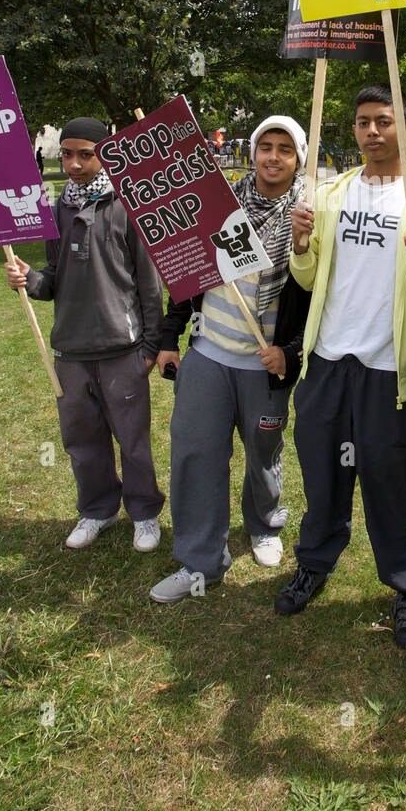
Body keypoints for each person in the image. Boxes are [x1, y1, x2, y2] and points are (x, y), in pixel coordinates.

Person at [274, 85, 406, 648]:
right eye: (363, 122)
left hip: (387, 370)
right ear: (351, 129)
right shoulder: (328, 196)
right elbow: (306, 279)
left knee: (390, 482)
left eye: (384, 121)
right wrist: (300, 245)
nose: (373, 132)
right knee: (323, 473)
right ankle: (314, 563)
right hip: (327, 362)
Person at [149, 116, 311, 603]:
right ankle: (199, 560)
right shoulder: (217, 206)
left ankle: (264, 526)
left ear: (299, 157)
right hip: (208, 357)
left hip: (265, 367)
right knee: (196, 456)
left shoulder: (309, 214)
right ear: (253, 151)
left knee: (264, 457)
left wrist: (291, 352)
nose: (273, 157)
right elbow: (186, 271)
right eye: (266, 145)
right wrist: (167, 335)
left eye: (286, 148)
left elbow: (320, 295)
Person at [4, 118, 165, 552]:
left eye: (85, 154)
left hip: (123, 349)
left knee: (132, 440)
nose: (74, 164)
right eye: (67, 155)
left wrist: (150, 347)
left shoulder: (128, 206)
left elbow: (149, 285)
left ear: (106, 154)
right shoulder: (58, 208)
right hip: (70, 351)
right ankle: (97, 509)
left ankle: (145, 512)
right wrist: (29, 278)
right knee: (81, 440)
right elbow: (54, 279)